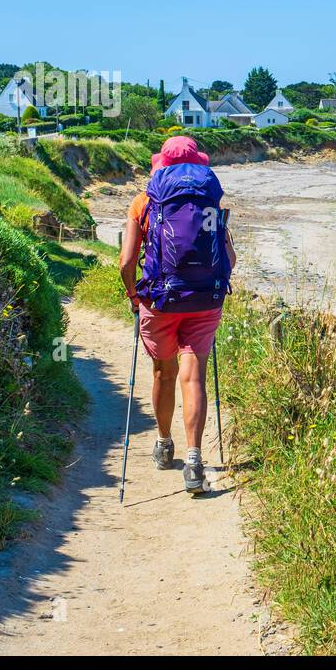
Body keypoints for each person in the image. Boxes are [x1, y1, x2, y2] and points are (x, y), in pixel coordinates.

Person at [119, 136, 236, 494]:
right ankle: (195, 460)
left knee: (163, 372)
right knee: (194, 378)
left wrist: (135, 296)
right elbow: (230, 257)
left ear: (160, 165)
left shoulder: (144, 202)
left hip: (160, 301)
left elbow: (126, 263)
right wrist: (212, 289)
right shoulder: (210, 199)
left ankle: (163, 442)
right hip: (204, 300)